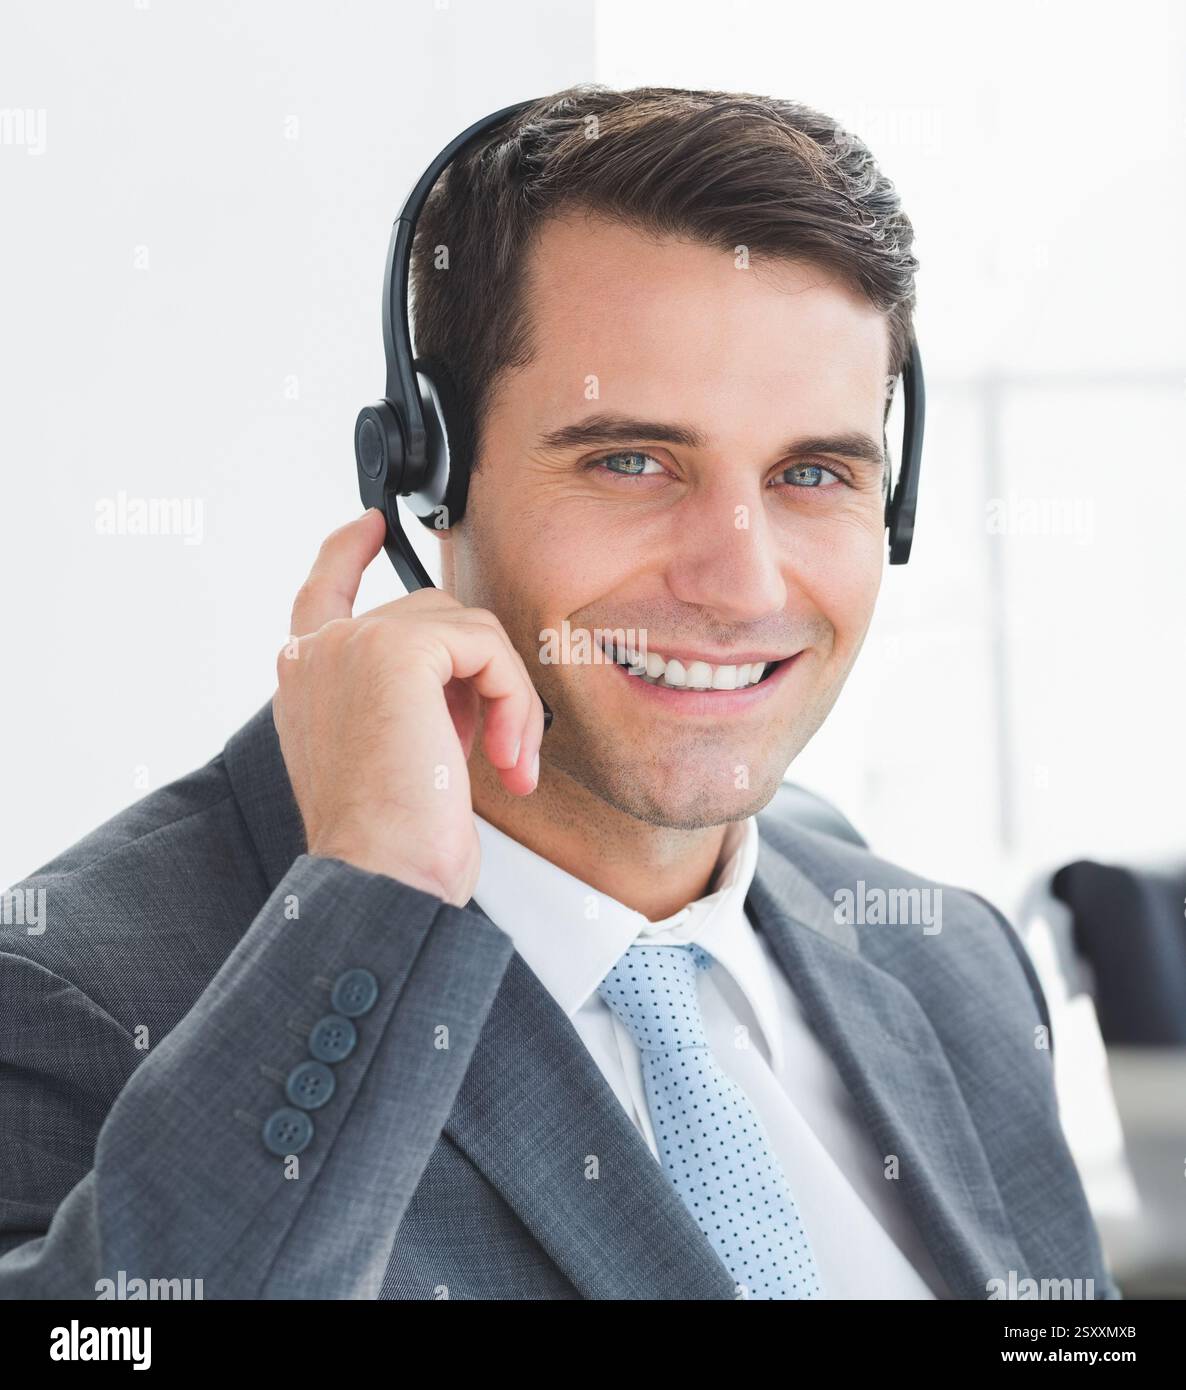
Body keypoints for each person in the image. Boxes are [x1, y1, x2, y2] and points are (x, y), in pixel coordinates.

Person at [0, 85, 1118, 1300]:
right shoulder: (79, 996)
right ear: (426, 473)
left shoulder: (954, 965)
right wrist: (373, 899)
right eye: (630, 461)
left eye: (812, 472)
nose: (740, 583)